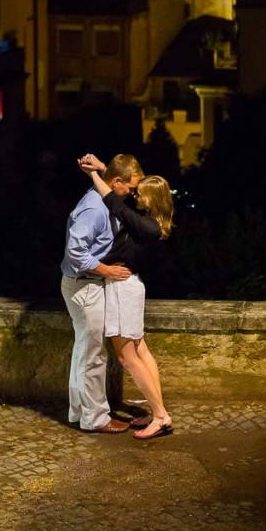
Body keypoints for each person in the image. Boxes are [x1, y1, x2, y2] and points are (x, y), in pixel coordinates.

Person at [79, 152, 174, 441]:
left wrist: (94, 175)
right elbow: (120, 187)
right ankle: (161, 412)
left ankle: (160, 416)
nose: (133, 193)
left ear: (150, 199)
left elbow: (115, 203)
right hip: (130, 286)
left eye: (138, 192)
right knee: (141, 350)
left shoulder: (147, 226)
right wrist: (104, 169)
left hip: (123, 287)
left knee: (126, 356)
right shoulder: (150, 217)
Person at [60, 153, 144, 434]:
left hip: (84, 283)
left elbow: (114, 176)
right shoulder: (94, 209)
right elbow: (75, 252)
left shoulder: (107, 193)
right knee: (93, 353)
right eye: (131, 188)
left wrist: (101, 169)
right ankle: (96, 418)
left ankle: (79, 411)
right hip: (85, 285)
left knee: (84, 349)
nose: (133, 194)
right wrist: (107, 271)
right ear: (117, 182)